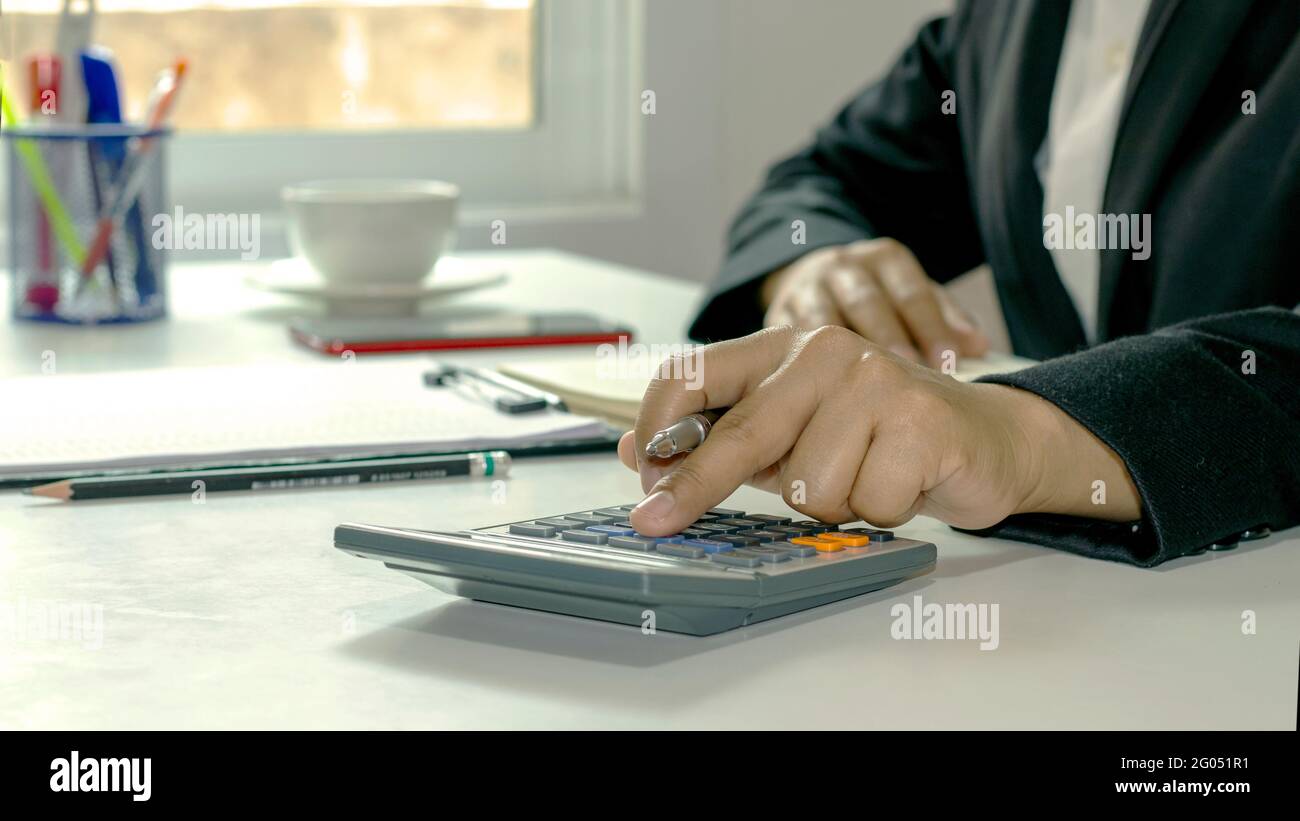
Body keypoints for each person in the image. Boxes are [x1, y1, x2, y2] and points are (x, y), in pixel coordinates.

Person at [621, 0, 1300, 566]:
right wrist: (816, 264)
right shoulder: (1009, 17)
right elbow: (821, 181)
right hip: (1061, 596)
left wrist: (1027, 431)